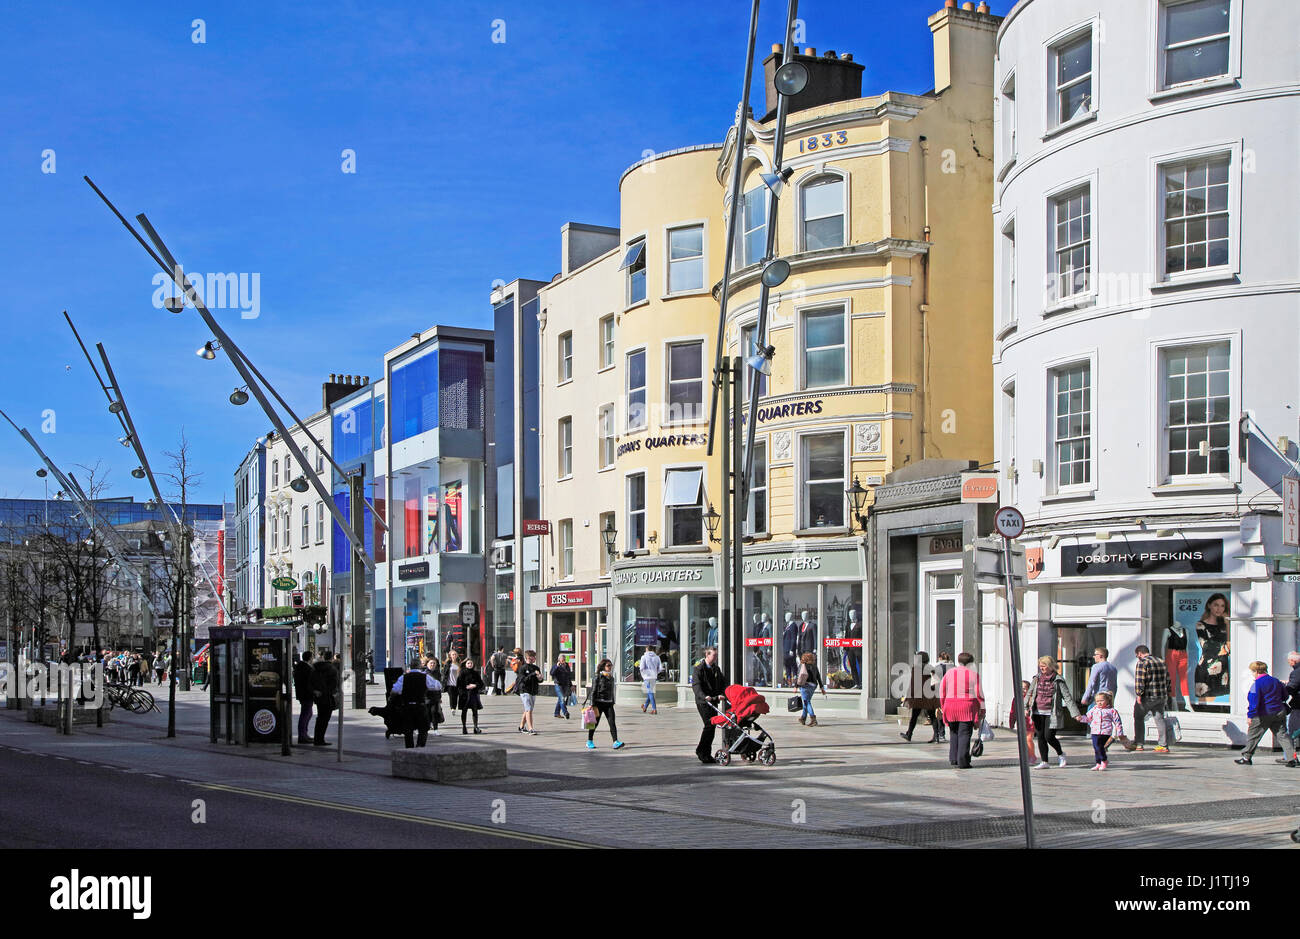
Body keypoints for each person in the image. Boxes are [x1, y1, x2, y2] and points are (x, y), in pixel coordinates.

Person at [1234, 661, 1297, 766]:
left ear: (1257, 671)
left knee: (1253, 736)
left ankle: (1246, 757)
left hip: (1263, 714)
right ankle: (1292, 759)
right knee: (1282, 735)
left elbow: (1253, 701)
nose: (1252, 673)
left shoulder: (1256, 684)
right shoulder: (1276, 681)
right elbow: (1285, 696)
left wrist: (1250, 716)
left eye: (1252, 671)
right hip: (1279, 712)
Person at [1026, 655, 1082, 769]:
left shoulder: (1058, 680)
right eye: (1040, 665)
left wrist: (1075, 714)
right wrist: (1024, 708)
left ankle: (1061, 754)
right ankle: (1044, 761)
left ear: (1051, 666)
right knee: (1041, 736)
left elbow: (1067, 697)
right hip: (1037, 712)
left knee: (1049, 736)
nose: (1041, 668)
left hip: (1052, 713)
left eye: (1044, 665)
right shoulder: (1037, 678)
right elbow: (1029, 693)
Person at [938, 651, 985, 769]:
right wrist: (982, 709)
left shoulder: (949, 673)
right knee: (964, 734)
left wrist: (943, 705)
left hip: (950, 706)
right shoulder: (973, 675)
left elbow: (942, 691)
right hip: (966, 707)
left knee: (954, 732)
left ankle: (953, 758)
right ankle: (963, 761)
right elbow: (979, 694)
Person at [1129, 644, 1171, 752]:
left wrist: (1139, 694)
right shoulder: (1161, 661)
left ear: (1139, 653)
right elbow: (1168, 679)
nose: (1137, 657)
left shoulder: (1142, 662)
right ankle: (1163, 745)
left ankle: (1139, 743)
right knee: (1159, 719)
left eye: (1137, 655)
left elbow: (1140, 680)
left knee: (1138, 718)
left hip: (1147, 696)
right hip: (1161, 695)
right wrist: (1168, 692)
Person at [392, 662, 441, 748]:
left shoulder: (403, 677)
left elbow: (395, 689)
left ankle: (409, 748)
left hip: (407, 706)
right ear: (420, 666)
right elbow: (438, 686)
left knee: (408, 729)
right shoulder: (425, 677)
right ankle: (420, 746)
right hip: (420, 705)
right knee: (423, 728)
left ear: (410, 667)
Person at [693, 646, 727, 764]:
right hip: (703, 702)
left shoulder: (716, 669)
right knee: (709, 725)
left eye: (716, 655)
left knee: (711, 727)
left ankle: (704, 752)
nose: (716, 657)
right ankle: (702, 751)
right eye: (714, 655)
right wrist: (704, 696)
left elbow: (723, 683)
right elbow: (696, 686)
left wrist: (722, 693)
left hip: (713, 701)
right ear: (707, 655)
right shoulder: (699, 669)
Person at [1195, 592, 1231, 704]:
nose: (1219, 609)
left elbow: (1229, 645)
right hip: (1207, 667)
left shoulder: (1224, 626)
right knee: (1205, 700)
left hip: (1222, 668)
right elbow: (1206, 645)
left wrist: (1228, 624)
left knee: (1220, 701)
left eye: (1222, 606)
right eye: (1216, 605)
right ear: (1209, 605)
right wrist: (1223, 647)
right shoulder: (1201, 625)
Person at [900, 651, 940, 742]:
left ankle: (909, 734)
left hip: (919, 696)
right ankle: (936, 736)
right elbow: (937, 680)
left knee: (914, 716)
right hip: (929, 694)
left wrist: (909, 696)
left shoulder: (916, 668)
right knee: (932, 716)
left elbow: (913, 683)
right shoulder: (930, 668)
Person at [582, 658, 622, 749]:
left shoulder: (611, 678)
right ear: (603, 666)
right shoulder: (598, 677)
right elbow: (593, 691)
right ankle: (589, 741)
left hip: (608, 704)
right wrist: (591, 704)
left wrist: (613, 701)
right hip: (598, 703)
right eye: (608, 665)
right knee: (594, 723)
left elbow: (612, 691)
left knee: (612, 723)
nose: (610, 667)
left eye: (611, 665)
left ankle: (615, 742)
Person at [1082, 691, 1124, 771]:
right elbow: (1088, 718)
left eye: (1101, 700)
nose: (1099, 703)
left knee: (1099, 746)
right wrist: (1081, 718)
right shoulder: (1094, 709)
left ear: (1107, 700)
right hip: (1095, 731)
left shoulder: (1111, 711)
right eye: (1097, 701)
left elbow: (1117, 722)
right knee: (1096, 747)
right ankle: (1098, 763)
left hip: (1105, 732)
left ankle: (1104, 760)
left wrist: (1119, 732)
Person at [311, 649, 338, 746]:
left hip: (318, 696)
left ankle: (317, 738)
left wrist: (316, 691)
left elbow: (311, 681)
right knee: (325, 718)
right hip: (328, 697)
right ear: (331, 658)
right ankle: (320, 739)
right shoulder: (332, 669)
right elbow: (334, 685)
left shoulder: (315, 668)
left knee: (320, 718)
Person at [795, 651, 826, 727]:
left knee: (807, 702)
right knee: (806, 701)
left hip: (805, 686)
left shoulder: (802, 665)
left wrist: (796, 686)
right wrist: (822, 688)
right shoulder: (814, 666)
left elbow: (799, 676)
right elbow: (818, 677)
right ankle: (803, 718)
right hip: (813, 686)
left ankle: (813, 719)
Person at [516, 650, 542, 735]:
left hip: (533, 691)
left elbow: (540, 680)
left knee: (527, 710)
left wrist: (540, 678)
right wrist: (532, 674)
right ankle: (531, 729)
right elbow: (523, 680)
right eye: (533, 657)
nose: (535, 658)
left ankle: (521, 727)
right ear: (528, 657)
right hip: (524, 690)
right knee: (529, 709)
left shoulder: (536, 668)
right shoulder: (523, 668)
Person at [293, 650, 315, 744]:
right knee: (306, 714)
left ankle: (304, 734)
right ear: (310, 658)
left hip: (302, 694)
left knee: (308, 713)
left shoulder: (300, 667)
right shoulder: (306, 668)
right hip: (306, 694)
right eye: (312, 657)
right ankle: (302, 736)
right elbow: (309, 682)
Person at [457, 658, 484, 734]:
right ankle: (464, 727)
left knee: (475, 711)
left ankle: (475, 726)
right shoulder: (462, 673)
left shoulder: (475, 673)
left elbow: (481, 684)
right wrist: (464, 689)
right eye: (468, 663)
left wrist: (475, 685)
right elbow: (459, 684)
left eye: (471, 663)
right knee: (464, 711)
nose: (470, 665)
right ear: (465, 664)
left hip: (473, 694)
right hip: (464, 695)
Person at [639, 645, 662, 714]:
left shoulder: (644, 657)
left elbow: (641, 668)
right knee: (650, 692)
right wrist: (655, 672)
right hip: (653, 677)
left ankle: (654, 709)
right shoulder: (657, 657)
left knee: (650, 693)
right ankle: (645, 706)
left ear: (647, 649)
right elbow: (660, 668)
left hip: (647, 677)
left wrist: (643, 674)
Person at [1285, 651, 1300, 749]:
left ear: (1292, 661)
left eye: (1289, 662)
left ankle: (1290, 755)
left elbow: (1292, 688)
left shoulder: (1296, 672)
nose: (1289, 664)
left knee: (1293, 728)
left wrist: (1284, 688)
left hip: (1298, 704)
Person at [550, 655, 573, 719]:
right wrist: (557, 667)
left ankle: (556, 713)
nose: (563, 661)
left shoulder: (567, 666)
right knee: (562, 698)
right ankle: (565, 712)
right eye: (562, 660)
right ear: (559, 660)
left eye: (564, 660)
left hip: (565, 685)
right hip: (558, 684)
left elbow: (568, 676)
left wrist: (571, 685)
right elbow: (551, 673)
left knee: (561, 699)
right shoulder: (556, 666)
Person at [444, 651, 461, 718]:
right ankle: (452, 708)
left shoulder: (459, 663)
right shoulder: (448, 663)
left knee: (456, 696)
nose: (454, 656)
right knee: (451, 696)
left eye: (455, 654)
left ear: (457, 655)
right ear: (450, 656)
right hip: (449, 683)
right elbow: (445, 673)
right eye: (452, 654)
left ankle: (454, 707)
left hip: (457, 683)